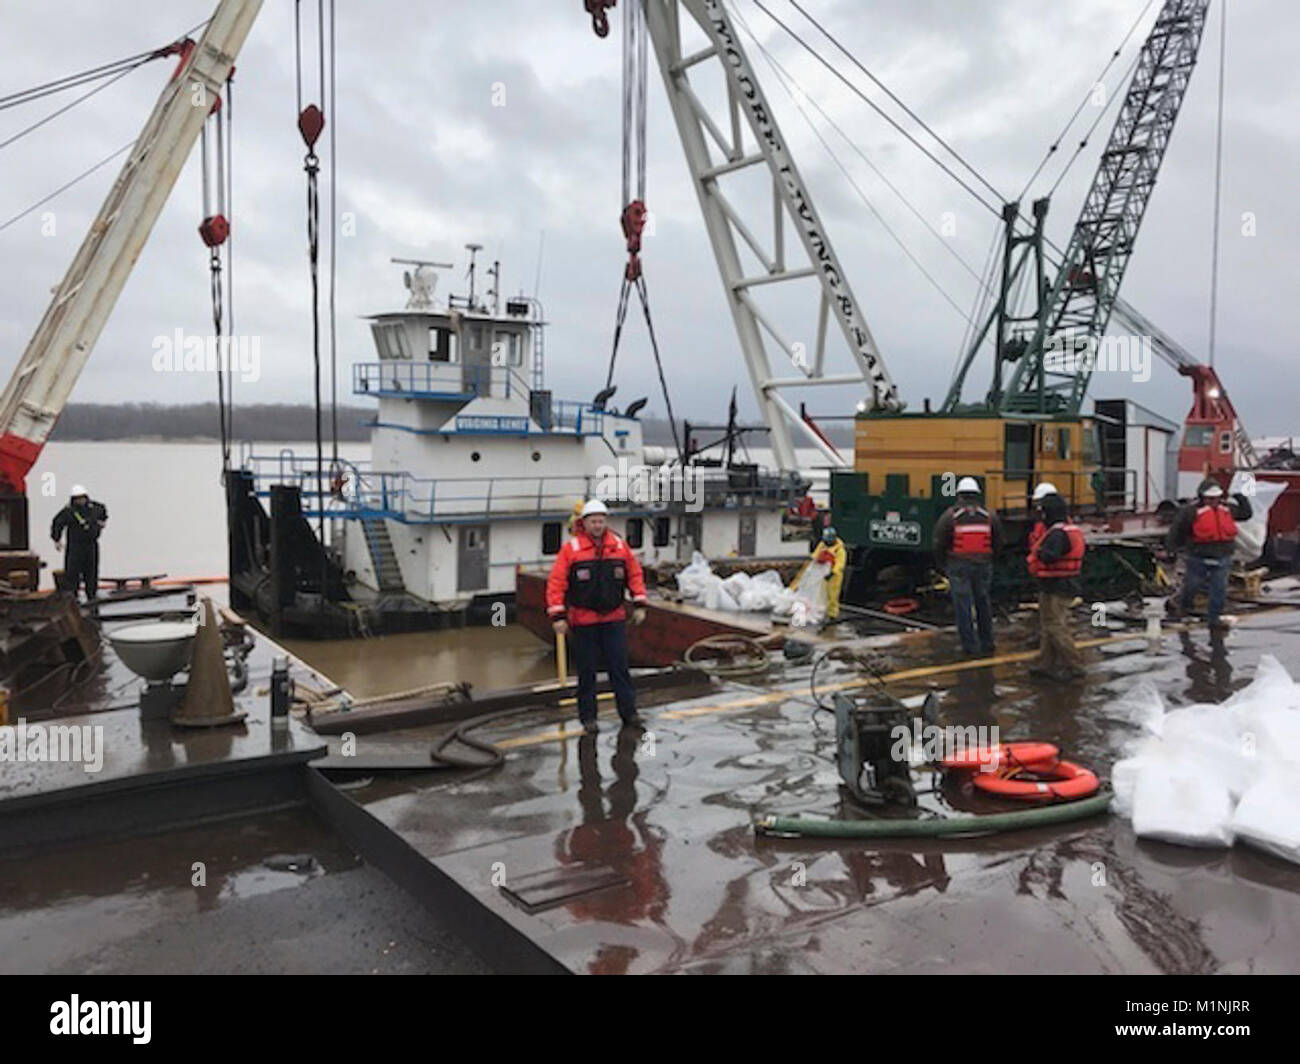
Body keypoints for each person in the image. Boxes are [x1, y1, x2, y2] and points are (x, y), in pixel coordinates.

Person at [546, 499, 648, 735]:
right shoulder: (571, 550)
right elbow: (556, 584)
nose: (598, 525)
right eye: (593, 521)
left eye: (601, 521)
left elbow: (634, 575)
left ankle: (629, 713)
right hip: (584, 621)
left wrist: (640, 602)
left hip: (614, 618)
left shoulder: (620, 547)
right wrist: (557, 616)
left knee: (620, 669)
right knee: (587, 673)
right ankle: (588, 718)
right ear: (584, 523)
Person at [1167, 478, 1251, 630]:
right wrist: (1172, 549)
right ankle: (1185, 608)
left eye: (1216, 497)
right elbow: (1177, 530)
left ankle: (1214, 619)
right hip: (1198, 556)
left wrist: (1240, 497)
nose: (1213, 501)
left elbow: (1246, 514)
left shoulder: (1227, 509)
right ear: (1202, 497)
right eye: (1209, 498)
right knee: (1192, 586)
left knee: (1219, 589)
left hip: (1222, 557)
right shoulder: (1190, 512)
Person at [933, 476, 1003, 656]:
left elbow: (939, 542)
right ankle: (987, 642)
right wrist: (991, 558)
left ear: (959, 494)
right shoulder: (989, 515)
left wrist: (943, 565)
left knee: (963, 606)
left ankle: (969, 646)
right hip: (983, 564)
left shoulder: (950, 515)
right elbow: (998, 541)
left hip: (959, 565)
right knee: (983, 602)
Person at [1026, 482, 1086, 682]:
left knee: (1055, 625)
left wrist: (1039, 553)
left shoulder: (1058, 533)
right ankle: (1046, 662)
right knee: (1047, 624)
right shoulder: (1064, 529)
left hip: (1059, 584)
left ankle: (1074, 664)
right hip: (1052, 583)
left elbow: (1050, 556)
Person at [51, 484, 108, 603]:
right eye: (77, 498)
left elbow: (103, 513)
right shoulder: (68, 512)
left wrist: (102, 522)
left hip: (91, 544)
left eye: (82, 498)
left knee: (91, 571)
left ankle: (92, 595)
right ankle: (73, 596)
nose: (80, 500)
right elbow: (57, 523)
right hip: (75, 546)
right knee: (73, 572)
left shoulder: (95, 508)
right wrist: (57, 539)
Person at [811, 526, 847, 622]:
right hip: (822, 574)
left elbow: (840, 564)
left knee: (832, 596)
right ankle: (821, 612)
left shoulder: (839, 550)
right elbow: (815, 555)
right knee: (821, 594)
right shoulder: (822, 545)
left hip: (834, 577)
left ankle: (832, 615)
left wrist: (832, 573)